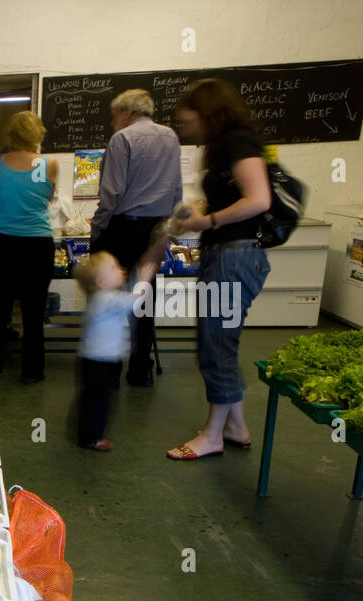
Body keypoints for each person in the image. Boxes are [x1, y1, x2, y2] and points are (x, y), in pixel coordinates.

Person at [166, 79, 272, 461]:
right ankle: (236, 427)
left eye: (188, 121)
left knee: (216, 348)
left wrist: (206, 222)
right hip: (229, 254)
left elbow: (259, 199)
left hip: (233, 256)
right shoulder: (232, 145)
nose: (185, 130)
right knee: (221, 341)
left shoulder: (238, 143)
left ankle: (211, 436)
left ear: (207, 113)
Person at [89, 89, 183, 387]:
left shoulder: (122, 139)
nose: (113, 121)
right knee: (145, 297)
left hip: (124, 226)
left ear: (127, 112)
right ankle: (141, 369)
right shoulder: (170, 137)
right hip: (156, 227)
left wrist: (99, 231)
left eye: (115, 114)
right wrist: (166, 227)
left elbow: (112, 193)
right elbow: (176, 189)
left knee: (110, 295)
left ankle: (110, 371)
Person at [71, 228, 169, 451]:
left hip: (93, 358)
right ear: (101, 282)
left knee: (92, 397)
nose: (120, 269)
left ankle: (85, 431)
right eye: (114, 268)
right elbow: (134, 301)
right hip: (99, 360)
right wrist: (144, 279)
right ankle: (91, 437)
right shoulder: (106, 299)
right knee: (100, 399)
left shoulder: (101, 297)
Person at [0, 111, 57, 384]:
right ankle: (32, 371)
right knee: (34, 313)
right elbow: (46, 199)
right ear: (37, 135)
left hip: (4, 243)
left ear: (10, 134)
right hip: (38, 245)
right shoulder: (48, 165)